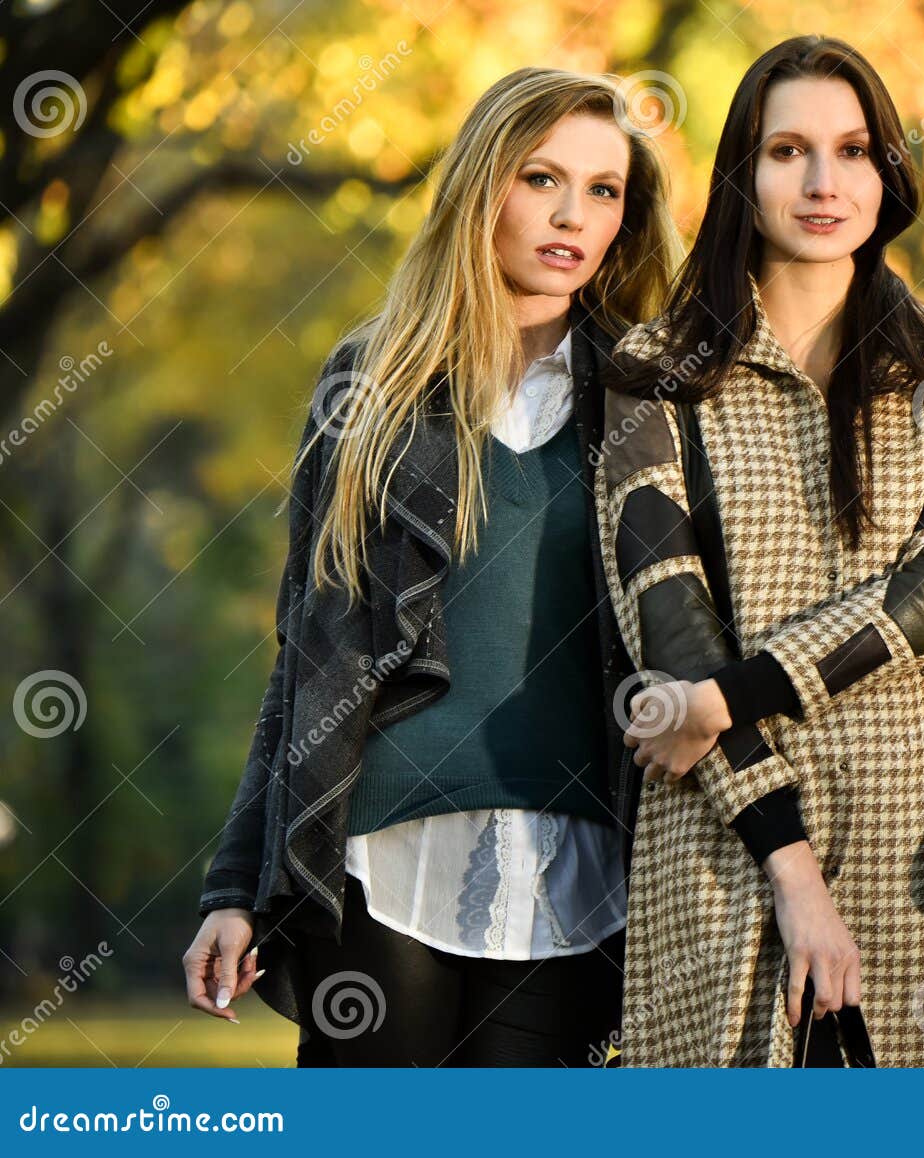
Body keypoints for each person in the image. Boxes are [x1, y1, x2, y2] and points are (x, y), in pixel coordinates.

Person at [182, 67, 682, 1066]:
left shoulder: (653, 396)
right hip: (375, 861)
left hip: (583, 874)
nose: (572, 215)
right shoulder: (369, 382)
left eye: (603, 189)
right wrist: (234, 888)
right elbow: (307, 651)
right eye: (540, 179)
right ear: (479, 188)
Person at [594, 36, 924, 1066]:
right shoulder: (652, 372)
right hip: (716, 844)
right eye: (786, 150)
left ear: (887, 172)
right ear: (740, 176)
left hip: (908, 858)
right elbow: (668, 624)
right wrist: (789, 865)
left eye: (851, 151)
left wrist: (719, 697)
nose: (821, 182)